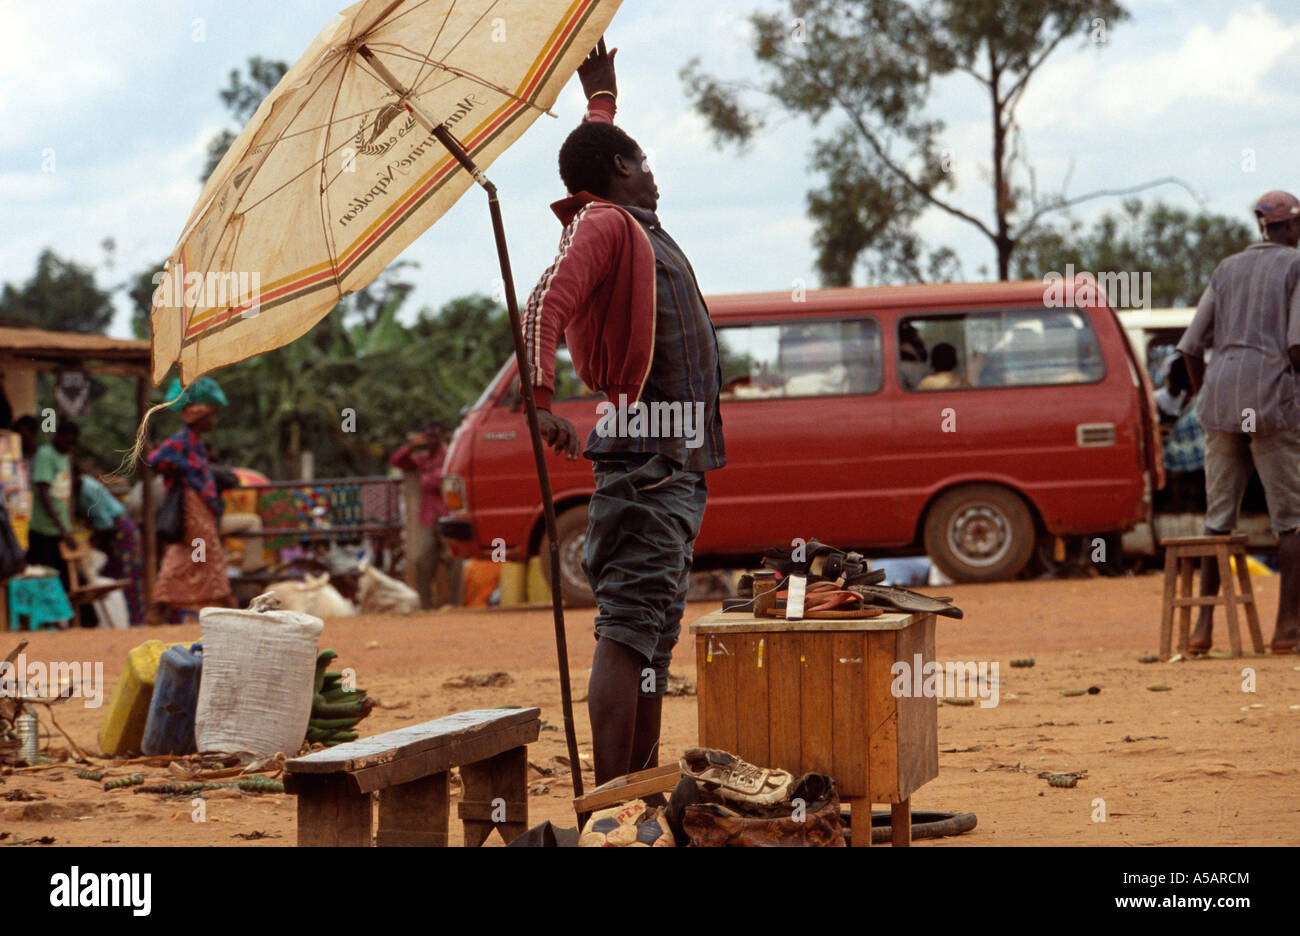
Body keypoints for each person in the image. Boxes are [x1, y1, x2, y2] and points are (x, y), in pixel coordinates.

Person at [522, 44, 725, 785]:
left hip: (673, 462)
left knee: (655, 637)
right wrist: (539, 400)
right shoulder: (604, 223)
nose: (653, 172)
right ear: (622, 172)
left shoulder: (617, 212)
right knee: (631, 628)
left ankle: (637, 796)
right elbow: (545, 301)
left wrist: (601, 99)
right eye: (643, 161)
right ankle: (612, 806)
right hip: (644, 458)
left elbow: (590, 152)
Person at [1177, 189, 1300, 655]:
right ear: (1290, 228)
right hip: (1273, 401)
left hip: (1221, 400)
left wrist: (1204, 393)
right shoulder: (1295, 267)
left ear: (1261, 226)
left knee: (1218, 521)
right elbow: (1295, 347)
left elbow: (1190, 347)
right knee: (1290, 521)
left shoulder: (1226, 268)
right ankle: (1287, 630)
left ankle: (1202, 629)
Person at [145, 377, 233, 624]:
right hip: (191, 508)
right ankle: (225, 602)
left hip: (200, 507)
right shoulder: (181, 441)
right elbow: (155, 459)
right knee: (202, 552)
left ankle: (168, 604)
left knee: (197, 554)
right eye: (210, 416)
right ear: (198, 416)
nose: (213, 422)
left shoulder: (196, 443)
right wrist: (181, 469)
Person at [74, 459, 145, 627]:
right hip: (114, 534)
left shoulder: (87, 489)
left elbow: (105, 525)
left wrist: (91, 545)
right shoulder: (80, 488)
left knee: (127, 578)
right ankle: (125, 622)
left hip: (120, 532)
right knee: (116, 575)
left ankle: (134, 623)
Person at [389, 423, 449, 610]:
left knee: (453, 561)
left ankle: (457, 605)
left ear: (439, 438)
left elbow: (437, 481)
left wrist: (424, 477)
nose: (429, 441)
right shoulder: (425, 457)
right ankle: (426, 606)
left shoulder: (449, 454)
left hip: (449, 516)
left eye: (432, 438)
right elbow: (396, 461)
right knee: (421, 561)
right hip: (431, 518)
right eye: (427, 437)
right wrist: (412, 445)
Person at [27, 420, 79, 596]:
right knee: (46, 580)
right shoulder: (45, 455)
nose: (70, 447)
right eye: (67, 442)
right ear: (58, 436)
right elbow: (44, 493)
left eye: (73, 443)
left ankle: (61, 621)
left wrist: (67, 529)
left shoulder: (64, 457)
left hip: (58, 531)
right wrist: (63, 529)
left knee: (63, 581)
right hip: (42, 531)